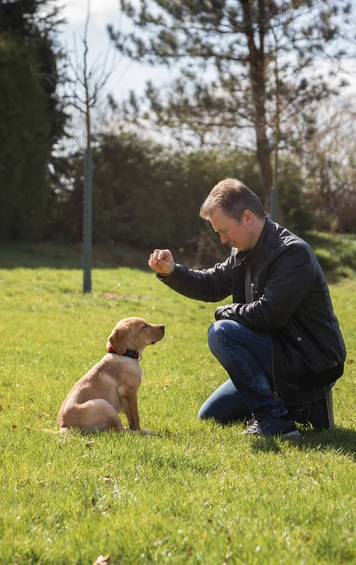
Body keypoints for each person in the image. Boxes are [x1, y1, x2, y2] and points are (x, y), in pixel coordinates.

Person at [148, 178, 346, 438]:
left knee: (222, 332)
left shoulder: (292, 253)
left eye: (224, 231)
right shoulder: (243, 252)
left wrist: (224, 312)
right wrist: (172, 272)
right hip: (275, 354)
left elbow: (269, 315)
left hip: (310, 361)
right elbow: (210, 285)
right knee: (211, 416)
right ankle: (303, 409)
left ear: (247, 217)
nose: (222, 240)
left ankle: (275, 420)